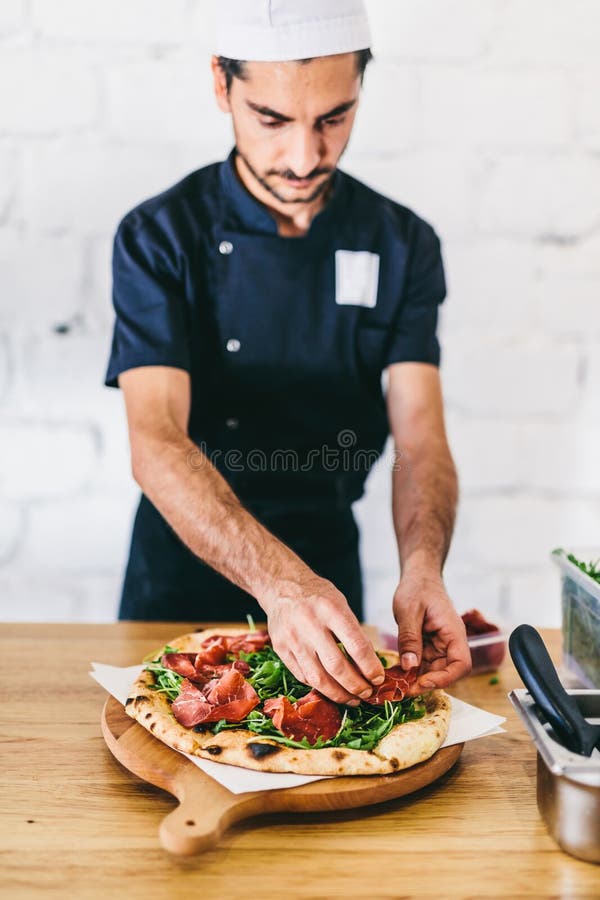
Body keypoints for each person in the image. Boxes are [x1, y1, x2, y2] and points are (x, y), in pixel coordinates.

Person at [104, 0, 471, 707]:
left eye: (334, 117)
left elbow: (421, 440)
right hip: (177, 575)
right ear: (222, 85)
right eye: (272, 119)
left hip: (327, 572)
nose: (305, 157)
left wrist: (422, 568)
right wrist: (278, 584)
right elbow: (154, 441)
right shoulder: (159, 237)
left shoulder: (405, 245)